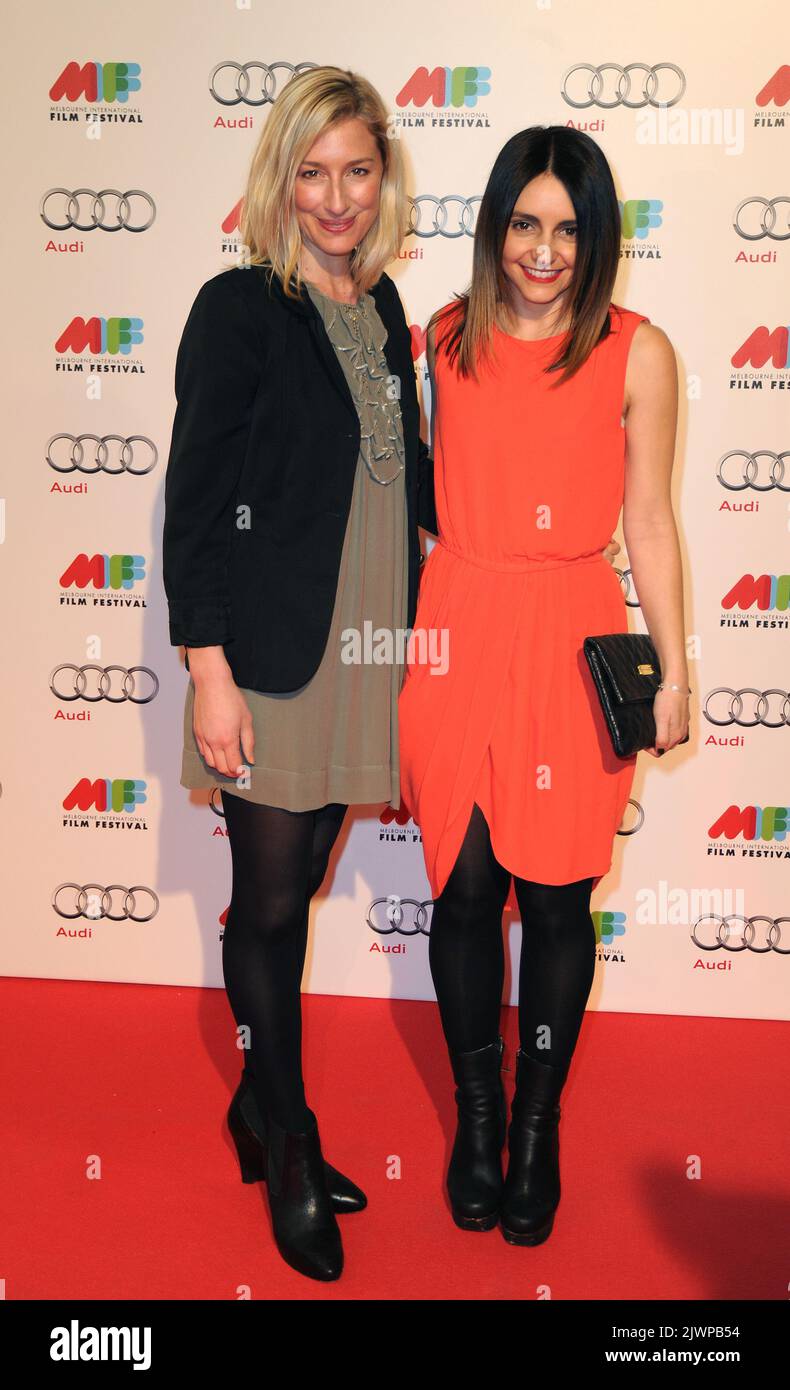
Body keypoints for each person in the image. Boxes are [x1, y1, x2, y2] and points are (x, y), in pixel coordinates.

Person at [161, 66, 439, 1283]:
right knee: (269, 909)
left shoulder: (383, 305)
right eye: (313, 173)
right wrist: (208, 668)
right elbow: (193, 503)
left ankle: (252, 1103)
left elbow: (400, 471)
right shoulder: (239, 308)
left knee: (304, 881)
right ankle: (288, 1140)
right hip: (270, 661)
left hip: (367, 646)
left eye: (357, 170)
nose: (336, 197)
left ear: (384, 178)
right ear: (280, 180)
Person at [397, 126, 689, 1246]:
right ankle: (476, 1118)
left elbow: (649, 521)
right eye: (525, 222)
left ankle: (536, 1125)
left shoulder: (636, 351)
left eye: (569, 229)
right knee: (466, 892)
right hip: (457, 623)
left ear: (598, 237)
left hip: (572, 631)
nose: (545, 250)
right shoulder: (443, 337)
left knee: (559, 897)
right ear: (495, 225)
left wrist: (673, 670)